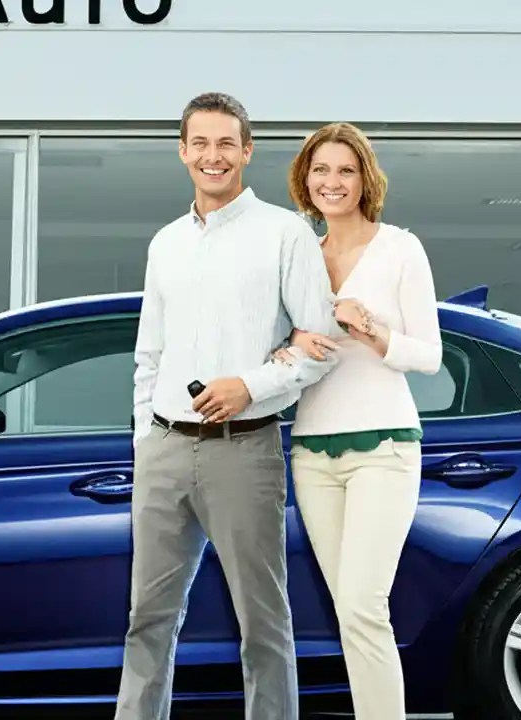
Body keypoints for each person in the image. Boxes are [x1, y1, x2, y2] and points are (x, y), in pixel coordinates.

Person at [115, 92, 341, 720]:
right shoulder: (165, 244)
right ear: (182, 152)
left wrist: (251, 385)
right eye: (200, 144)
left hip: (244, 450)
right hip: (163, 451)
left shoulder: (285, 233)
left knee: (262, 623)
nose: (212, 157)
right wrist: (146, 440)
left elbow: (321, 347)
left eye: (225, 144)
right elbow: (148, 352)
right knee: (147, 620)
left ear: (246, 151)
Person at [275, 122, 442, 720]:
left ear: (365, 179)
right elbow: (288, 353)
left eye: (345, 170)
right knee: (348, 610)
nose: (332, 182)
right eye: (321, 170)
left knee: (365, 604)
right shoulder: (300, 256)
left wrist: (372, 330)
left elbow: (430, 355)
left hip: (385, 446)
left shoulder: (399, 247)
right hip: (314, 449)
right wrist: (283, 350)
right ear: (305, 180)